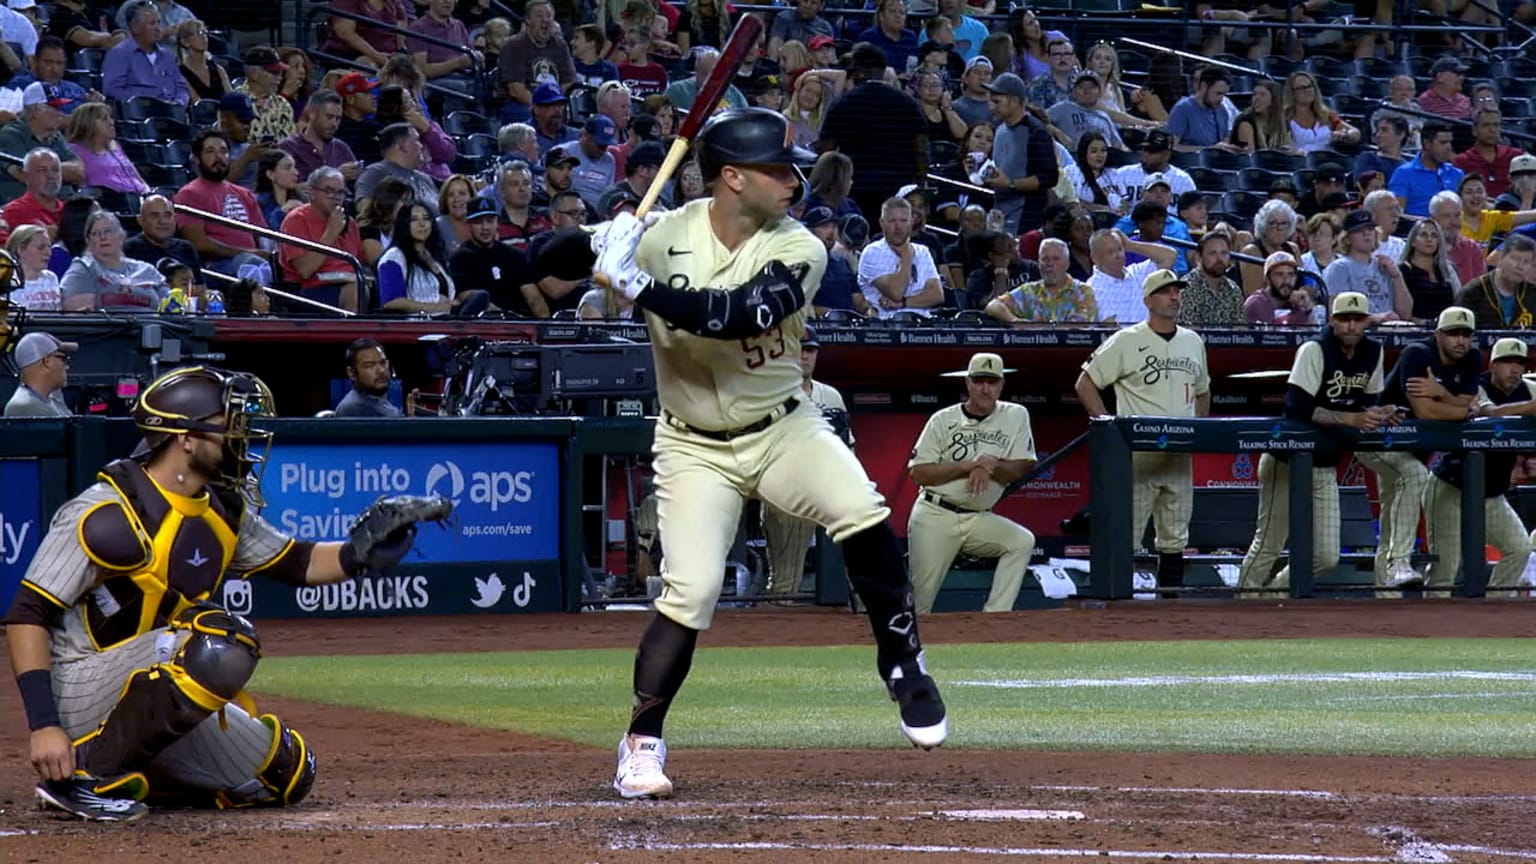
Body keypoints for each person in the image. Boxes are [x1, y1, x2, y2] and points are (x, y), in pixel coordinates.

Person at [538, 108, 947, 800]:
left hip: (784, 427)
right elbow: (539, 264)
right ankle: (641, 742)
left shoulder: (800, 248)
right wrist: (597, 241)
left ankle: (903, 661)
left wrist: (633, 283)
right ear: (732, 177)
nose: (793, 180)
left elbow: (733, 316)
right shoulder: (664, 234)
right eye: (776, 170)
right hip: (693, 445)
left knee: (862, 511)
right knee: (691, 591)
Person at [3, 365, 451, 821]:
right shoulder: (106, 511)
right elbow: (27, 614)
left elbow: (297, 562)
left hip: (151, 687)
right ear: (185, 439)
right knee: (220, 642)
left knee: (284, 773)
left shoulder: (221, 508)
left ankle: (135, 769)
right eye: (228, 427)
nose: (241, 438)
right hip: (80, 685)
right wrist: (44, 725)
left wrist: (361, 550)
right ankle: (86, 779)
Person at [1237, 292, 1394, 595]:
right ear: (1332, 321)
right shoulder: (1315, 349)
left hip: (1324, 463)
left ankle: (1273, 597)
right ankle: (1245, 601)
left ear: (1366, 322)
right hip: (1287, 458)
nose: (1351, 326)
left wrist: (1380, 413)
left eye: (1357, 319)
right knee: (1269, 541)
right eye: (1344, 319)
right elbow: (1298, 407)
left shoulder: (1373, 352)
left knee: (1326, 555)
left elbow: (1367, 402)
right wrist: (1351, 419)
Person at [1074, 269, 1210, 597]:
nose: (1174, 297)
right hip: (1137, 456)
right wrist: (1109, 428)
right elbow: (1085, 383)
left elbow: (1203, 391)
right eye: (1166, 292)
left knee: (1175, 536)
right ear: (1148, 300)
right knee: (1127, 534)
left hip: (1178, 455)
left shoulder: (1193, 341)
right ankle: (1120, 609)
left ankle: (1171, 608)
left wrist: (1197, 431)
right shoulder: (1126, 339)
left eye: (1177, 291)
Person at [906, 352, 1036, 614]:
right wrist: (969, 466)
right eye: (979, 381)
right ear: (967, 383)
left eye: (992, 382)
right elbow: (919, 473)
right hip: (935, 514)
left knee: (1021, 541)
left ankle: (996, 617)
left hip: (978, 518)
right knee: (920, 602)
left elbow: (1023, 465)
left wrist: (991, 465)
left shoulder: (1016, 415)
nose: (985, 389)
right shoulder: (942, 419)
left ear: (1001, 384)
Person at [1367, 306, 1483, 591]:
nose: (1460, 341)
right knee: (1416, 476)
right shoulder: (1418, 354)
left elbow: (1462, 404)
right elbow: (1426, 411)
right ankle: (1399, 563)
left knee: (1392, 517)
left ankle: (1385, 596)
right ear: (1438, 335)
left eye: (1466, 334)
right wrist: (1463, 409)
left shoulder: (1471, 358)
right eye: (1453, 333)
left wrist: (1442, 393)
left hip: (1411, 449)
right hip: (1379, 438)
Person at [1422, 337, 1536, 596]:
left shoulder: (1529, 389)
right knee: (1446, 569)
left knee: (1519, 548)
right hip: (1450, 486)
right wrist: (1532, 408)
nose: (1515, 369)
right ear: (1492, 365)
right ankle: (1429, 631)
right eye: (1507, 361)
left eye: (1520, 363)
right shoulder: (1475, 386)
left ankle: (1492, 613)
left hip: (1490, 494)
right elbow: (1489, 413)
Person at [759, 325, 853, 598]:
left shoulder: (831, 396)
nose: (805, 356)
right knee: (785, 587)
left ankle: (859, 623)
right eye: (798, 349)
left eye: (810, 350)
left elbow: (848, 447)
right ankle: (782, 626)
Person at [3, 329, 75, 417]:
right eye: (63, 359)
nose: (67, 367)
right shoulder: (24, 407)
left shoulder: (54, 399)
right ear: (47, 361)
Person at [335, 338, 402, 417]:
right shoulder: (354, 408)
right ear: (351, 373)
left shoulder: (378, 401)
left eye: (383, 363)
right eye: (369, 365)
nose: (381, 370)